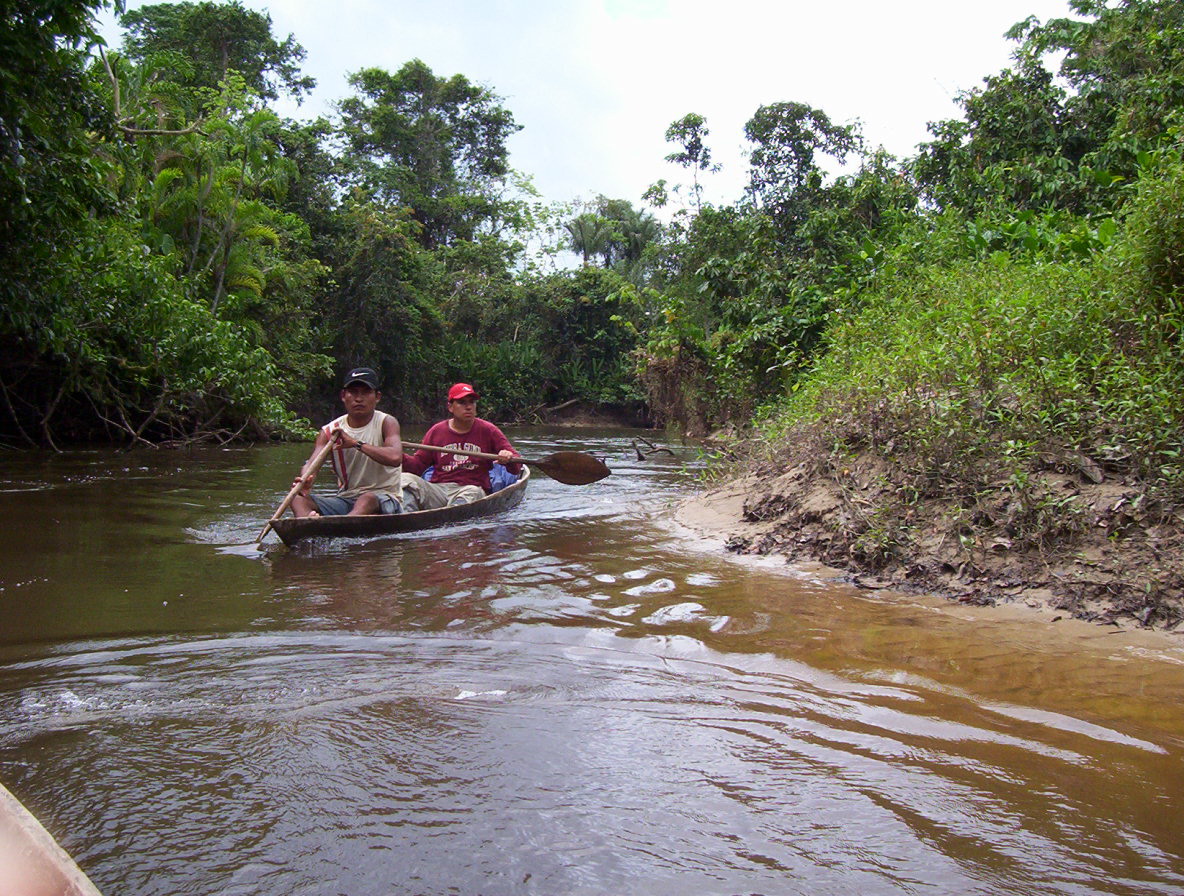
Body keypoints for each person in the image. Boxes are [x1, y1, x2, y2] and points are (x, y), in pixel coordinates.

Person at [291, 367, 404, 517]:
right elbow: (312, 464)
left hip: (384, 498)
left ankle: (341, 526)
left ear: (377, 397)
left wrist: (355, 443)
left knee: (367, 499)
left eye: (365, 392)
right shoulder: (329, 431)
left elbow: (395, 458)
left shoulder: (386, 422)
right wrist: (306, 479)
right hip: (347, 499)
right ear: (344, 396)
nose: (358, 398)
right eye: (353, 392)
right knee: (296, 498)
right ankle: (307, 526)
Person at [401, 383, 522, 509]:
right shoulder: (437, 431)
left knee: (471, 493)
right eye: (462, 402)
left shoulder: (488, 430)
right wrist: (400, 457)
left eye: (472, 402)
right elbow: (417, 467)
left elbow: (516, 467)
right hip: (439, 490)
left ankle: (452, 520)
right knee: (405, 479)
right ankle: (404, 518)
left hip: (471, 489)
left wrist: (508, 458)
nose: (468, 407)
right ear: (450, 407)